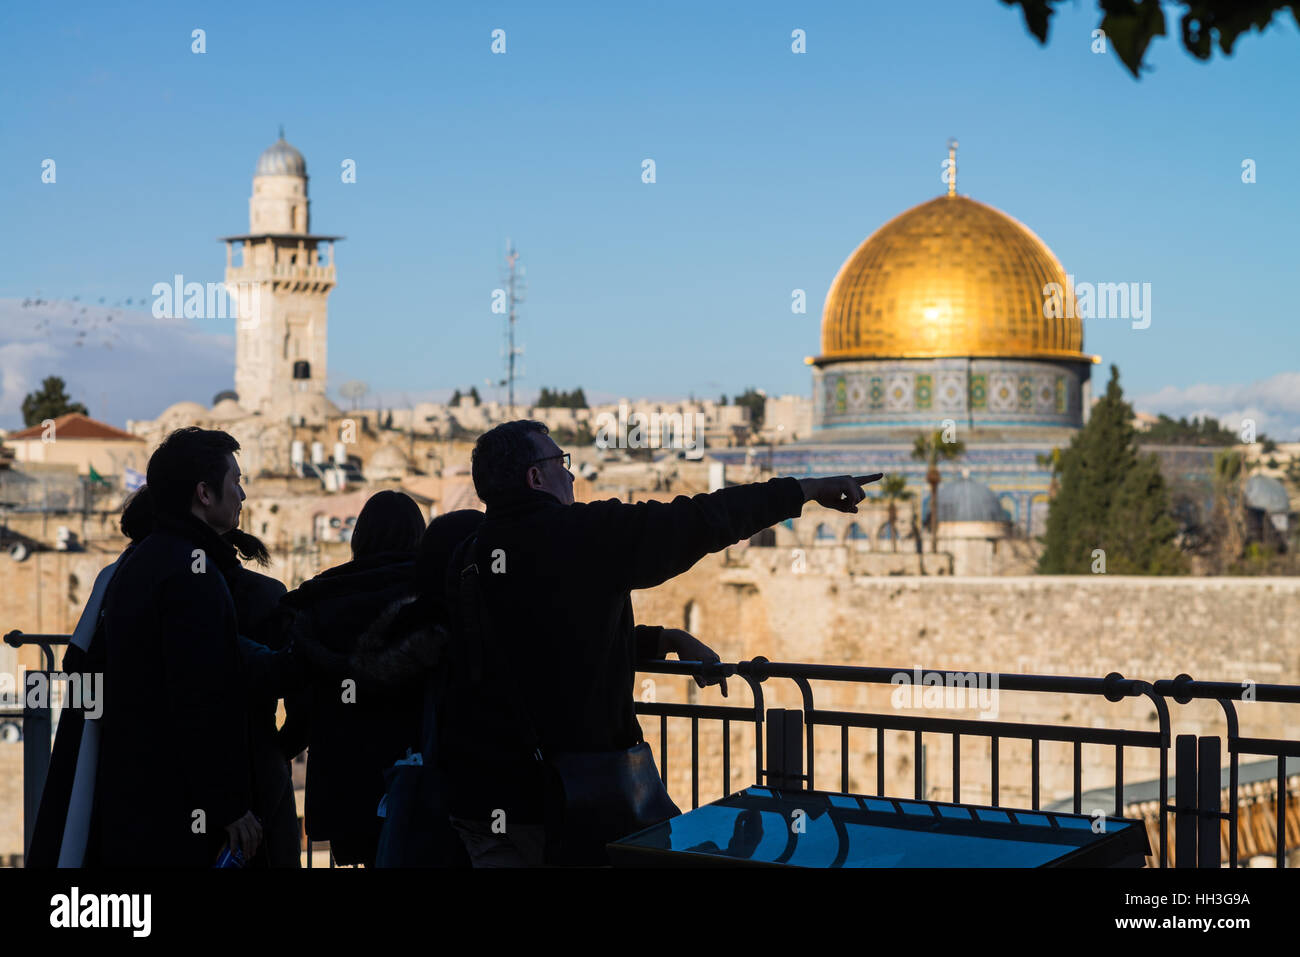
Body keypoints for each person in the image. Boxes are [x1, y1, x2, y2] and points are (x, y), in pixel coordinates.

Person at [440, 419, 877, 866]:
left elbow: (535, 638)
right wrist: (802, 491)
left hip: (479, 795)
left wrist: (660, 638)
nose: (571, 475)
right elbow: (700, 519)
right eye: (561, 462)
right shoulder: (582, 535)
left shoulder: (468, 553)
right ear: (535, 477)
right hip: (557, 800)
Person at [88, 428, 263, 867]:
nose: (241, 494)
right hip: (176, 807)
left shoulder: (142, 562)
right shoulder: (192, 573)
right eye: (235, 481)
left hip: (136, 797)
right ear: (204, 493)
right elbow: (199, 696)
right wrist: (226, 805)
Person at [277, 489, 426, 867]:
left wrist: (279, 749)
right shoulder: (431, 596)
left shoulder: (317, 600)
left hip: (346, 785)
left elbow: (301, 702)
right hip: (419, 779)